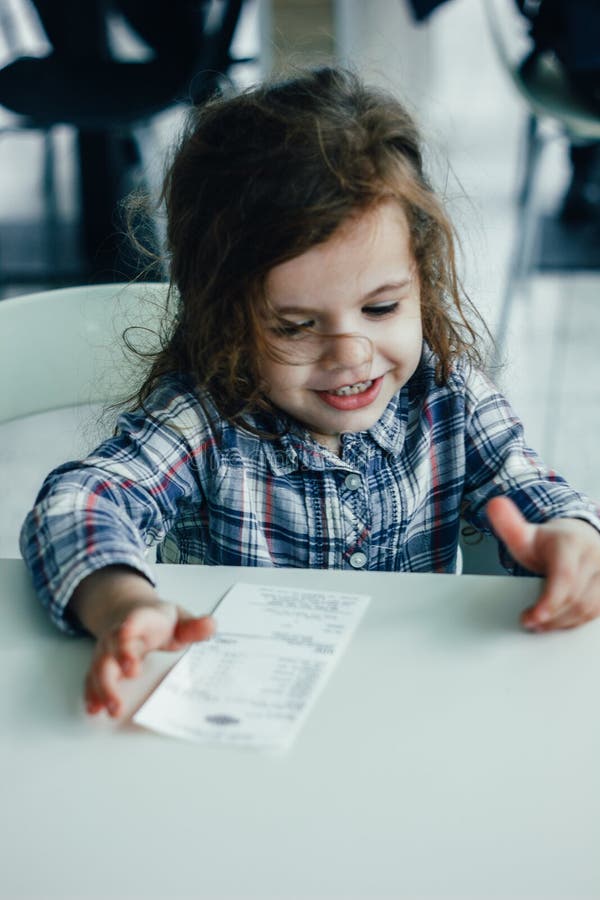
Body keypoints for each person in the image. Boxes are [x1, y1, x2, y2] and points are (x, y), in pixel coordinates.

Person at [20, 67, 600, 719]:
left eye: (381, 308)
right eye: (297, 326)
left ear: (422, 280)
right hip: (241, 717)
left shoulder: (448, 394)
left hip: (410, 711)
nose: (350, 353)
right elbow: (75, 506)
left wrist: (571, 536)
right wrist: (122, 602)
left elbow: (538, 491)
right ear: (225, 318)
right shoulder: (207, 413)